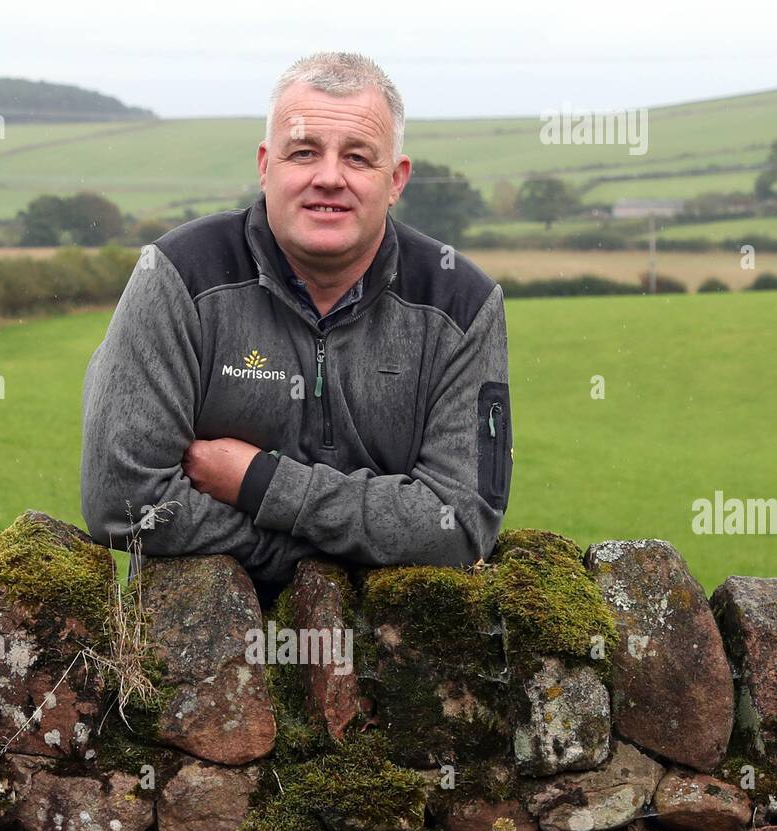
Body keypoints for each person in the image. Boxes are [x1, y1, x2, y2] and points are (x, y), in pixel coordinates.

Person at [80, 50, 513, 600]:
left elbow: (461, 522)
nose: (329, 178)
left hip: (403, 665)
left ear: (396, 178)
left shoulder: (462, 304)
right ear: (265, 165)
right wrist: (313, 565)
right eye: (304, 152)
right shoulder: (178, 276)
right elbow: (120, 498)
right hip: (194, 655)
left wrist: (259, 482)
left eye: (357, 158)